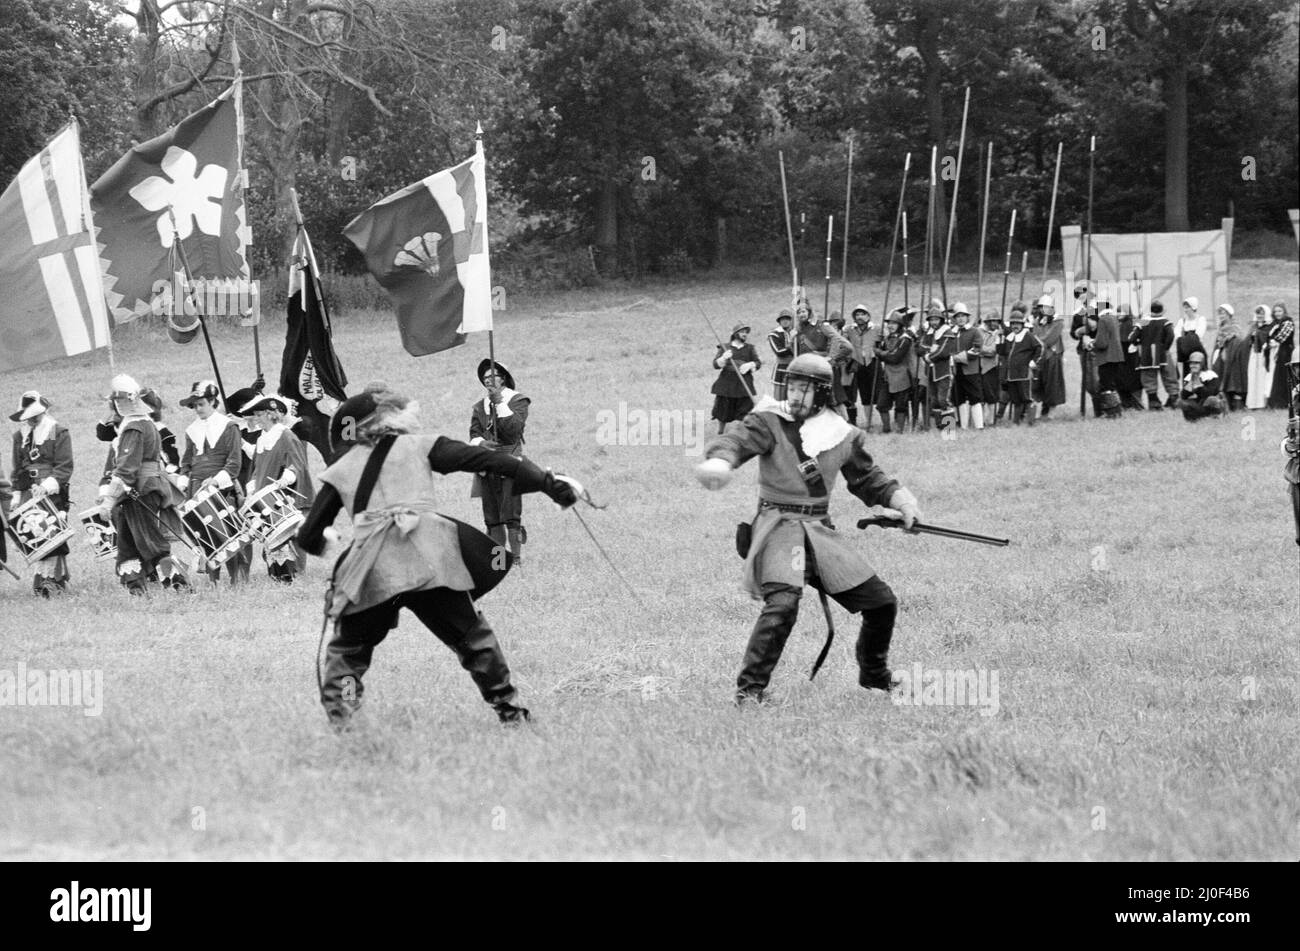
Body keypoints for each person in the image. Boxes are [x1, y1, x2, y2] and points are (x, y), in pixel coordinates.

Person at [296, 384, 581, 729]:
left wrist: (333, 543)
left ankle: (345, 722)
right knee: (474, 640)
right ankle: (511, 713)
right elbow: (490, 460)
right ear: (392, 418)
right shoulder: (422, 445)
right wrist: (549, 483)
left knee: (347, 655)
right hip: (430, 560)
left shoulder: (341, 468)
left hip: (371, 569)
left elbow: (309, 537)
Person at [693, 353, 922, 704]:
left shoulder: (841, 434)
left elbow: (868, 478)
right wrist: (720, 459)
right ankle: (750, 691)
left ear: (823, 393)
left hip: (819, 531)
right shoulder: (767, 420)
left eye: (804, 389)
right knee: (783, 604)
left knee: (881, 603)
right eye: (792, 387)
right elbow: (736, 440)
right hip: (778, 527)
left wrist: (901, 502)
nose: (796, 396)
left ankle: (874, 675)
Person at [92, 376, 190, 593]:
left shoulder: (134, 427)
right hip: (138, 490)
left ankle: (180, 584)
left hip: (140, 489)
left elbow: (126, 468)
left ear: (120, 403)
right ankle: (135, 587)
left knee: (151, 542)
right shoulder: (144, 423)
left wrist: (108, 501)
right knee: (126, 544)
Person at [178, 380, 252, 583]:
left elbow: (234, 463)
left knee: (228, 532)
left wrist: (215, 481)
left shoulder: (229, 427)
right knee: (204, 535)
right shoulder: (191, 430)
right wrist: (183, 481)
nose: (197, 409)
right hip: (196, 487)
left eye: (201, 404)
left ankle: (238, 578)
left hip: (221, 487)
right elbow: (186, 462)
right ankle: (214, 581)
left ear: (213, 402)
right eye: (194, 405)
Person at [242, 393, 315, 583]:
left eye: (259, 415)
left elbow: (298, 463)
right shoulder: (261, 439)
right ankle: (277, 572)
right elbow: (257, 468)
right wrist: (252, 487)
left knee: (293, 535)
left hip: (289, 493)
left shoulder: (286, 435)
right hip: (268, 495)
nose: (256, 419)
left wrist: (286, 478)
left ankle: (297, 573)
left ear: (270, 414)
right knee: (272, 536)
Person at [9, 391, 73, 596]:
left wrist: (46, 486)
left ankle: (53, 581)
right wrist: (18, 493)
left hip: (52, 490)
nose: (30, 420)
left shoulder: (58, 431)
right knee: (35, 534)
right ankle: (43, 580)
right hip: (29, 490)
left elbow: (64, 465)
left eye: (33, 416)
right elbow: (18, 467)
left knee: (53, 533)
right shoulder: (20, 436)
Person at [469, 359, 531, 563]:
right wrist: (480, 443)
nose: (488, 380)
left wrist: (500, 403)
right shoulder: (479, 406)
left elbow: (514, 431)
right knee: (492, 518)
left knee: (511, 515)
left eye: (493, 376)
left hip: (510, 461)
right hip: (487, 464)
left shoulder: (518, 400)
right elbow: (473, 435)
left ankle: (516, 560)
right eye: (485, 377)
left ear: (503, 377)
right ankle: (498, 563)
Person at [710, 323, 761, 434]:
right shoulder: (725, 347)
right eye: (742, 332)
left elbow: (758, 362)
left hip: (744, 383)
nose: (745, 334)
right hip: (727, 383)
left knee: (744, 409)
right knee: (723, 409)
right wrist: (723, 358)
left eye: (746, 332)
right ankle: (720, 431)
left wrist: (750, 365)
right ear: (735, 334)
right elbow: (715, 364)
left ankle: (740, 432)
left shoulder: (750, 348)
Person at [997, 308, 1043, 424]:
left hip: (1024, 373)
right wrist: (1000, 338)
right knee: (1016, 400)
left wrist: (1033, 361)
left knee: (1027, 398)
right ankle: (1016, 423)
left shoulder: (1028, 336)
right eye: (1013, 323)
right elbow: (1001, 352)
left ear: (1022, 324)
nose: (1015, 326)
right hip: (1011, 374)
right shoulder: (1009, 337)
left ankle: (1031, 422)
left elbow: (1039, 347)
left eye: (1017, 323)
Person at [873, 309, 915, 434]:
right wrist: (881, 350)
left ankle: (899, 430)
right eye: (889, 323)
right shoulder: (885, 339)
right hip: (887, 376)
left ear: (900, 325)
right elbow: (885, 355)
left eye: (894, 323)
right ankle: (886, 428)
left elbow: (895, 358)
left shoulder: (905, 339)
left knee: (901, 406)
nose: (890, 326)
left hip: (902, 376)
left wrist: (880, 352)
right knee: (881, 405)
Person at [919, 304, 959, 430]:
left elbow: (944, 352)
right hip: (930, 371)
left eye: (936, 319)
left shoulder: (947, 332)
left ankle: (949, 430)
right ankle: (939, 427)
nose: (934, 322)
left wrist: (928, 356)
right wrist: (930, 350)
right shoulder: (929, 333)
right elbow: (919, 347)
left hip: (944, 370)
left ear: (941, 320)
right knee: (934, 400)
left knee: (943, 400)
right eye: (931, 319)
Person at [950, 302, 987, 431]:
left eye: (963, 316)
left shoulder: (974, 331)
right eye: (958, 316)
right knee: (959, 398)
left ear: (967, 317)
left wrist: (957, 357)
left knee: (975, 398)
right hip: (956, 370)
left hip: (971, 369)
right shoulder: (951, 333)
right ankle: (964, 426)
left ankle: (979, 426)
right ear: (954, 319)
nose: (960, 318)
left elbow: (977, 349)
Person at [1134, 300, 1177, 410]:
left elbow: (1132, 336)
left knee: (1149, 378)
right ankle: (1174, 400)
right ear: (1162, 310)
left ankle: (1154, 403)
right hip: (1163, 354)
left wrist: (1139, 344)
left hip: (1147, 355)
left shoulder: (1143, 321)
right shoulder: (1165, 321)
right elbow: (1171, 335)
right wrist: (1165, 347)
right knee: (1169, 376)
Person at [1088, 305, 1126, 419]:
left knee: (1106, 385)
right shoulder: (1113, 318)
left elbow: (1102, 342)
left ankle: (1111, 412)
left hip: (1107, 357)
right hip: (1117, 356)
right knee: (1111, 384)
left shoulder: (1103, 320)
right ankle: (1117, 410)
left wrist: (1092, 343)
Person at [1069, 283, 1101, 416]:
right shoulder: (1078, 313)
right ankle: (1097, 410)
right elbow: (1073, 333)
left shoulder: (1101, 306)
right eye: (1078, 295)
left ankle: (1105, 408)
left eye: (1083, 293)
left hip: (1098, 348)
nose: (1081, 297)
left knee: (1097, 380)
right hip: (1084, 349)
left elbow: (1095, 326)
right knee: (1089, 381)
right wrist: (1079, 332)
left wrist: (1086, 327)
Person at [844, 304, 878, 428]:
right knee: (859, 394)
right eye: (857, 314)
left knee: (873, 393)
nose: (859, 317)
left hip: (872, 362)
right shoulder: (849, 330)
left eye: (862, 314)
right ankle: (860, 421)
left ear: (868, 316)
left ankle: (871, 421)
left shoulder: (876, 329)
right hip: (856, 363)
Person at [1032, 295, 1066, 418]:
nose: (1043, 310)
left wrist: (1039, 341)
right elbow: (1034, 336)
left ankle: (1051, 412)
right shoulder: (1037, 321)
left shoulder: (1058, 321)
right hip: (1040, 356)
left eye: (1046, 307)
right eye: (1041, 307)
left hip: (1052, 356)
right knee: (1037, 384)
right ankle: (1036, 411)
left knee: (1053, 383)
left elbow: (1050, 339)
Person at [1211, 305, 1250, 411]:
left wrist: (1228, 349)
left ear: (1229, 314)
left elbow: (1239, 341)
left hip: (1233, 358)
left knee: (1232, 379)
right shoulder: (1221, 327)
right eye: (1219, 313)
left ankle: (1236, 403)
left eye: (1223, 313)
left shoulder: (1235, 327)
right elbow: (1218, 343)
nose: (1221, 316)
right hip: (1222, 357)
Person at [1116, 304, 1146, 410]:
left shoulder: (1134, 322)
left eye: (1121, 312)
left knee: (1134, 379)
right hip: (1121, 356)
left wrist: (1140, 319)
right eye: (1118, 312)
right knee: (1121, 379)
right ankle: (1126, 403)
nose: (1119, 314)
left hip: (1132, 356)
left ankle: (1136, 403)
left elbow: (1145, 326)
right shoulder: (1117, 324)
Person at [1180, 351, 1224, 421]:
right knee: (1184, 403)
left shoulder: (1210, 375)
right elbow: (1184, 396)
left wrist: (1199, 385)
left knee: (1211, 400)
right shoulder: (1189, 377)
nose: (1193, 365)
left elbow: (1210, 393)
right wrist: (1190, 383)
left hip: (1212, 402)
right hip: (1199, 403)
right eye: (1191, 363)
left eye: (1196, 363)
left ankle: (1215, 416)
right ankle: (1195, 418)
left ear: (1202, 364)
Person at [1268, 302, 1295, 410]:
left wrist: (1272, 341)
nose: (1277, 313)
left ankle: (1283, 402)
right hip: (1277, 352)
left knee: (1283, 377)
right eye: (1275, 311)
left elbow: (1281, 337)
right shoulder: (1276, 323)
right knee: (1277, 377)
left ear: (1284, 311)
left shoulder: (1288, 322)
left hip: (1285, 353)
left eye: (1279, 311)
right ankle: (1276, 402)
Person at [979, 311, 1005, 425]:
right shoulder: (979, 332)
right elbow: (977, 346)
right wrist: (984, 350)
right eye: (992, 321)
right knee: (982, 394)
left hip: (994, 366)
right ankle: (983, 419)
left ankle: (991, 419)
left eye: (996, 321)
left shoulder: (1000, 334)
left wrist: (983, 350)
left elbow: (995, 350)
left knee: (993, 394)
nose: (994, 323)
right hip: (980, 366)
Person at [1174, 296, 1207, 383]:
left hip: (1197, 351)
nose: (1185, 310)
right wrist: (1183, 341)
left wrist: (1184, 339)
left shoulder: (1200, 319)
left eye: (1187, 307)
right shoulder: (1182, 321)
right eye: (1184, 307)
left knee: (1200, 374)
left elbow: (1198, 335)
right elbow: (1177, 333)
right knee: (1187, 374)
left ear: (1193, 308)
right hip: (1186, 352)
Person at [767, 309, 796, 400]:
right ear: (779, 321)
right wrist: (791, 342)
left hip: (795, 368)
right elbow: (779, 352)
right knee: (780, 399)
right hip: (782, 368)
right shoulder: (774, 334)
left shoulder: (796, 333)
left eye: (788, 318)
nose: (785, 321)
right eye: (783, 319)